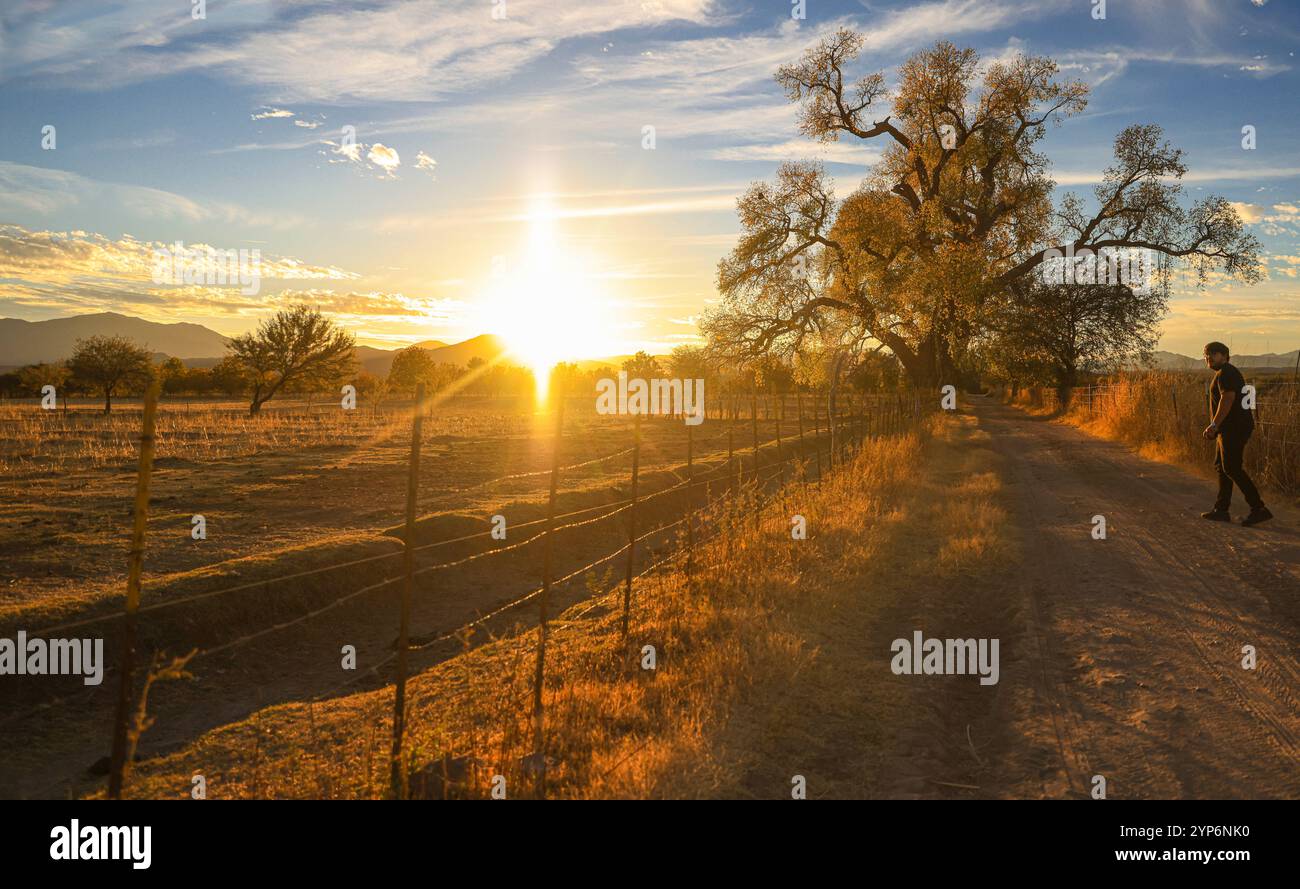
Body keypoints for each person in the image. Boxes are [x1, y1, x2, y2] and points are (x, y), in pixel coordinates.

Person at [1200, 342, 1272, 527]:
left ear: (1224, 356)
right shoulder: (1223, 373)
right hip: (1229, 428)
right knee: (1222, 467)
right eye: (1206, 355)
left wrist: (1214, 425)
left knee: (1231, 467)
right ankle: (1221, 510)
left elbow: (1228, 398)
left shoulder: (1226, 372)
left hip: (1234, 428)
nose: (1208, 358)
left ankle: (1259, 508)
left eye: (1213, 354)